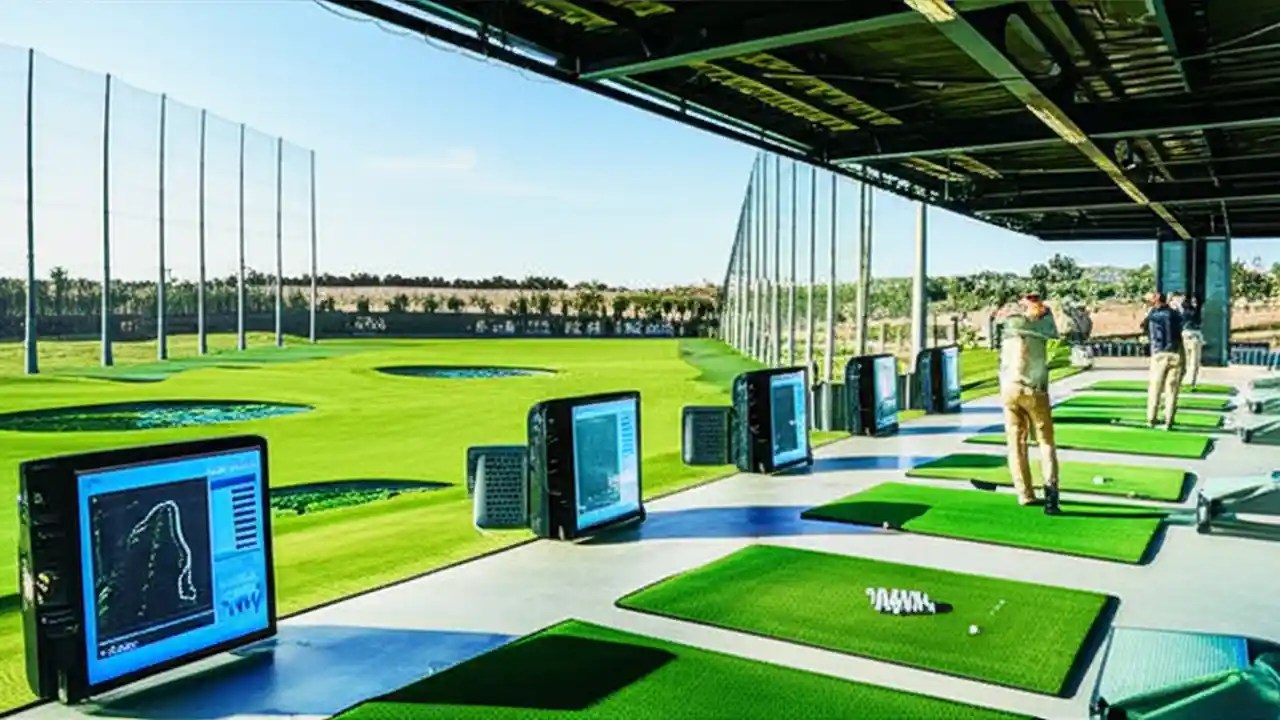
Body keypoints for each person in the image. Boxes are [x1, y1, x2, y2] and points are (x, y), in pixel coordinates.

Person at [999, 292, 1061, 515]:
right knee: (1045, 442)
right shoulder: (1043, 324)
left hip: (1009, 388)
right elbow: (1059, 329)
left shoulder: (1011, 320)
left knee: (1016, 442)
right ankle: (1051, 494)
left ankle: (1024, 494)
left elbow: (1001, 318)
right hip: (1035, 390)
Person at [1141, 292, 1185, 429]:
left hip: (1159, 354)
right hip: (1175, 353)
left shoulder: (1152, 316)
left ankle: (1151, 419)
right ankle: (1168, 420)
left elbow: (1144, 328)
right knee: (1171, 390)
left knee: (1155, 388)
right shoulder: (1175, 314)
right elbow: (1180, 325)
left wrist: (1147, 312)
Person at [1180, 295, 1204, 389]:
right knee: (1194, 361)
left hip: (1185, 334)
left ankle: (1183, 380)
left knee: (1186, 360)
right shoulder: (1196, 312)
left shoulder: (1183, 313)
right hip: (1194, 336)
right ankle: (1191, 382)